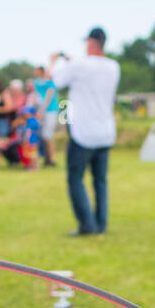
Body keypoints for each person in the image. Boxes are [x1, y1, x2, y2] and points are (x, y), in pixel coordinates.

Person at [51, 27, 120, 236]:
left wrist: (54, 60)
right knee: (100, 181)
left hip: (83, 132)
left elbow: (56, 80)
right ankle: (101, 223)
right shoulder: (113, 66)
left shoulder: (79, 65)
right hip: (105, 131)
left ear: (90, 43)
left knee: (75, 179)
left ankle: (87, 225)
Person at [33, 65, 59, 166]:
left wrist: (42, 110)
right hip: (40, 111)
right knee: (42, 135)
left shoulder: (50, 83)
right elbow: (36, 96)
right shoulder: (37, 83)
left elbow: (48, 98)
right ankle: (46, 157)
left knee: (48, 135)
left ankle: (52, 158)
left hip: (50, 111)